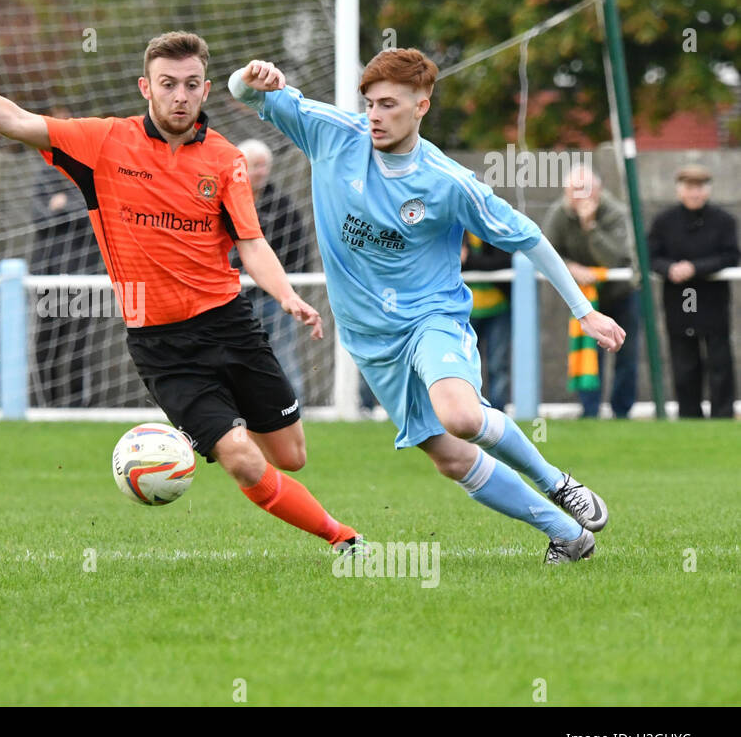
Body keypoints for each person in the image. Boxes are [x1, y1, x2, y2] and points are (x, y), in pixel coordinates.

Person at [0, 32, 368, 555]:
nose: (180, 95)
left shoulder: (225, 159)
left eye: (191, 85)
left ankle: (249, 444)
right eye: (168, 84)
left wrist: (287, 295)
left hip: (231, 325)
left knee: (291, 456)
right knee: (241, 457)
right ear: (145, 87)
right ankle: (342, 538)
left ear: (206, 90)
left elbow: (252, 242)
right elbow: (15, 120)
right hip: (162, 345)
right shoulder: (102, 142)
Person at [229, 48, 626, 564]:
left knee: (460, 416)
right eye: (369, 102)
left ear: (421, 106)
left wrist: (583, 311)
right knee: (449, 457)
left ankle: (558, 482)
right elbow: (245, 94)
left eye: (389, 104)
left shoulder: (447, 181)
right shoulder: (333, 134)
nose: (374, 114)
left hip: (430, 318)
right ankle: (567, 535)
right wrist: (250, 76)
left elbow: (527, 237)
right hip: (369, 339)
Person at [543, 166, 640, 418]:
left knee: (626, 354)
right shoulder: (558, 214)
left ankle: (622, 412)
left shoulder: (616, 212)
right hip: (585, 298)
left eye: (586, 189)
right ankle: (589, 411)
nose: (581, 196)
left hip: (620, 294)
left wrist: (591, 227)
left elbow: (615, 260)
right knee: (587, 351)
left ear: (599, 191)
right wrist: (572, 268)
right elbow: (545, 254)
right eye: (575, 190)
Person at [648, 163, 739, 418]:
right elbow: (651, 256)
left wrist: (695, 268)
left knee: (720, 360)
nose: (694, 193)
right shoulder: (664, 222)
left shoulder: (724, 221)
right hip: (679, 301)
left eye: (699, 188)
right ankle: (689, 415)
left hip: (712, 301)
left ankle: (722, 414)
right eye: (689, 188)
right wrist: (670, 269)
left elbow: (731, 256)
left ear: (707, 191)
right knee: (684, 362)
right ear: (679, 190)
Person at [31, 106, 104, 408]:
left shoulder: (90, 170)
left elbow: (92, 215)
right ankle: (50, 405)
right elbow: (40, 217)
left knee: (77, 344)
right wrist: (59, 209)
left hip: (84, 275)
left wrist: (64, 206)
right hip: (48, 274)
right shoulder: (43, 175)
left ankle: (75, 407)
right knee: (46, 345)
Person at [234, 139, 311, 400]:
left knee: (282, 354)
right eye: (255, 165)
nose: (261, 172)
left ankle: (294, 409)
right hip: (234, 300)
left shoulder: (282, 206)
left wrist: (287, 291)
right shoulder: (227, 201)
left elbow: (300, 250)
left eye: (265, 166)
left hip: (273, 301)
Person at [461, 232, 512, 411]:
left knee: (498, 364)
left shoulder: (494, 229)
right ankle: (467, 410)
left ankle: (498, 412)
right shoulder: (451, 227)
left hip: (498, 308)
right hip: (463, 311)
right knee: (463, 365)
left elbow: (504, 261)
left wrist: (470, 261)